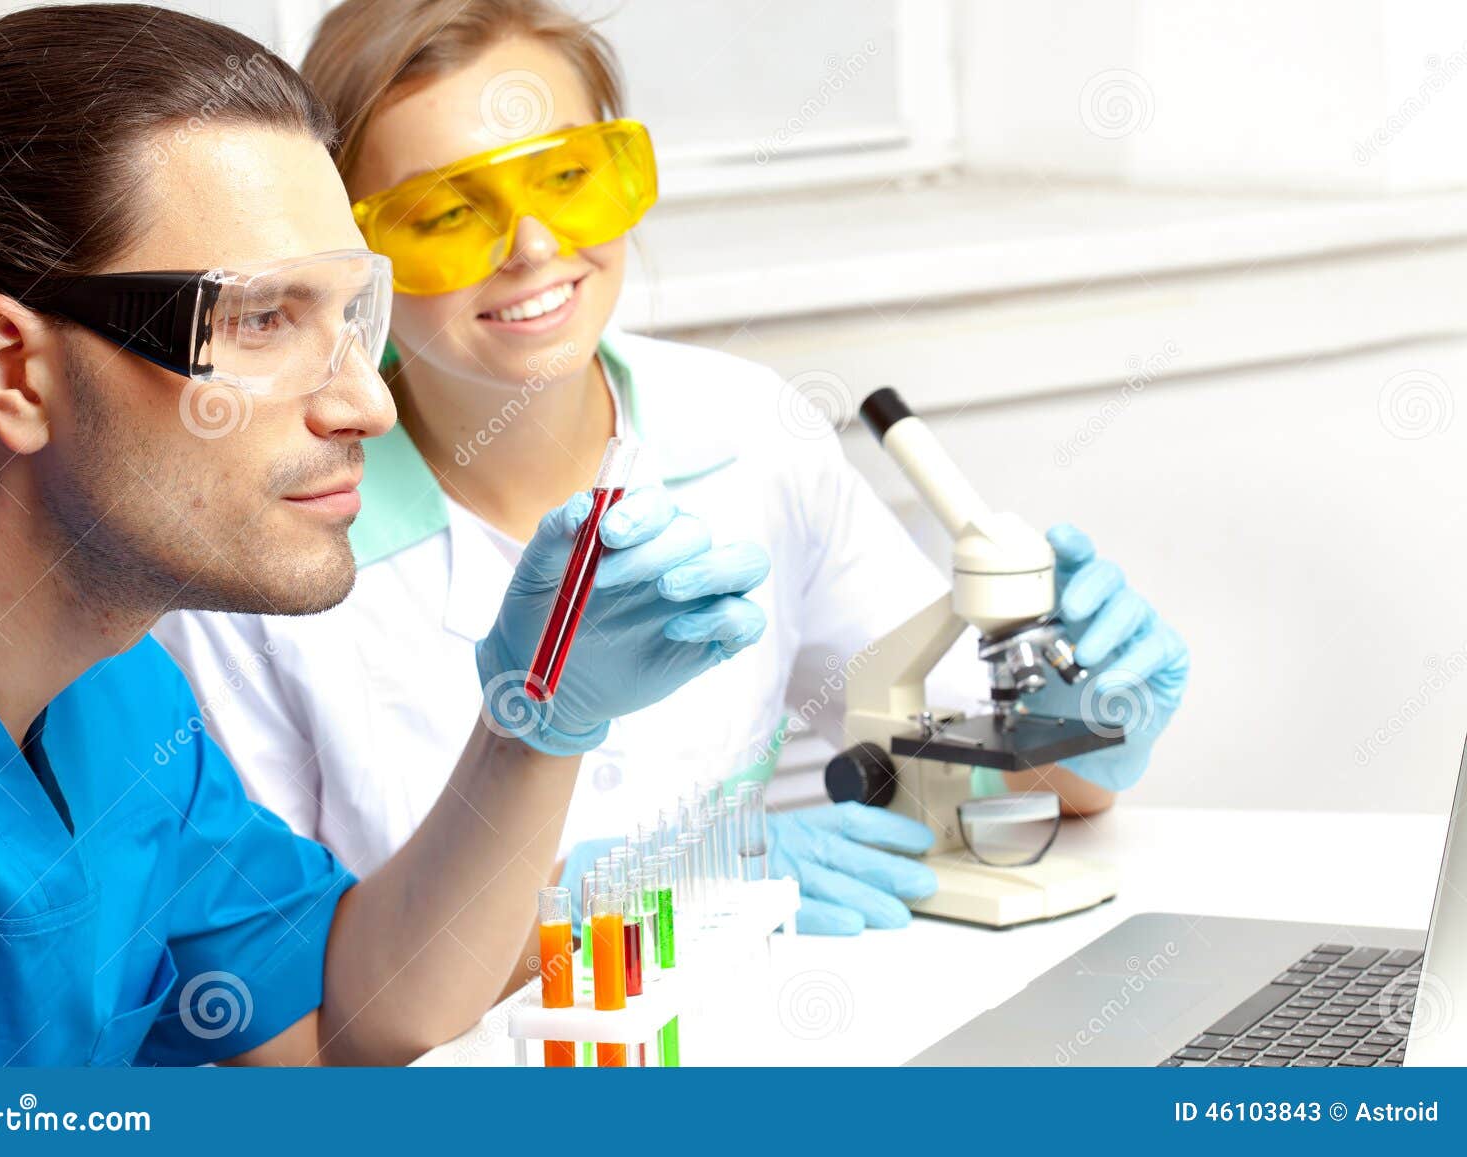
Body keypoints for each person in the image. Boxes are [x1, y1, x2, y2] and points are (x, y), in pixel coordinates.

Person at [156, 0, 1189, 939]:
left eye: (567, 177)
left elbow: (985, 772)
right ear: (353, 258)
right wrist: (626, 893)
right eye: (447, 213)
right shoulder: (266, 543)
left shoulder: (750, 430)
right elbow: (277, 977)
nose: (532, 245)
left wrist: (1093, 721)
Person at [0, 2, 766, 1066]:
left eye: (350, 316)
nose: (366, 406)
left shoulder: (119, 700)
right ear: (13, 369)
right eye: (260, 320)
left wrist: (530, 727)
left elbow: (340, 1019)